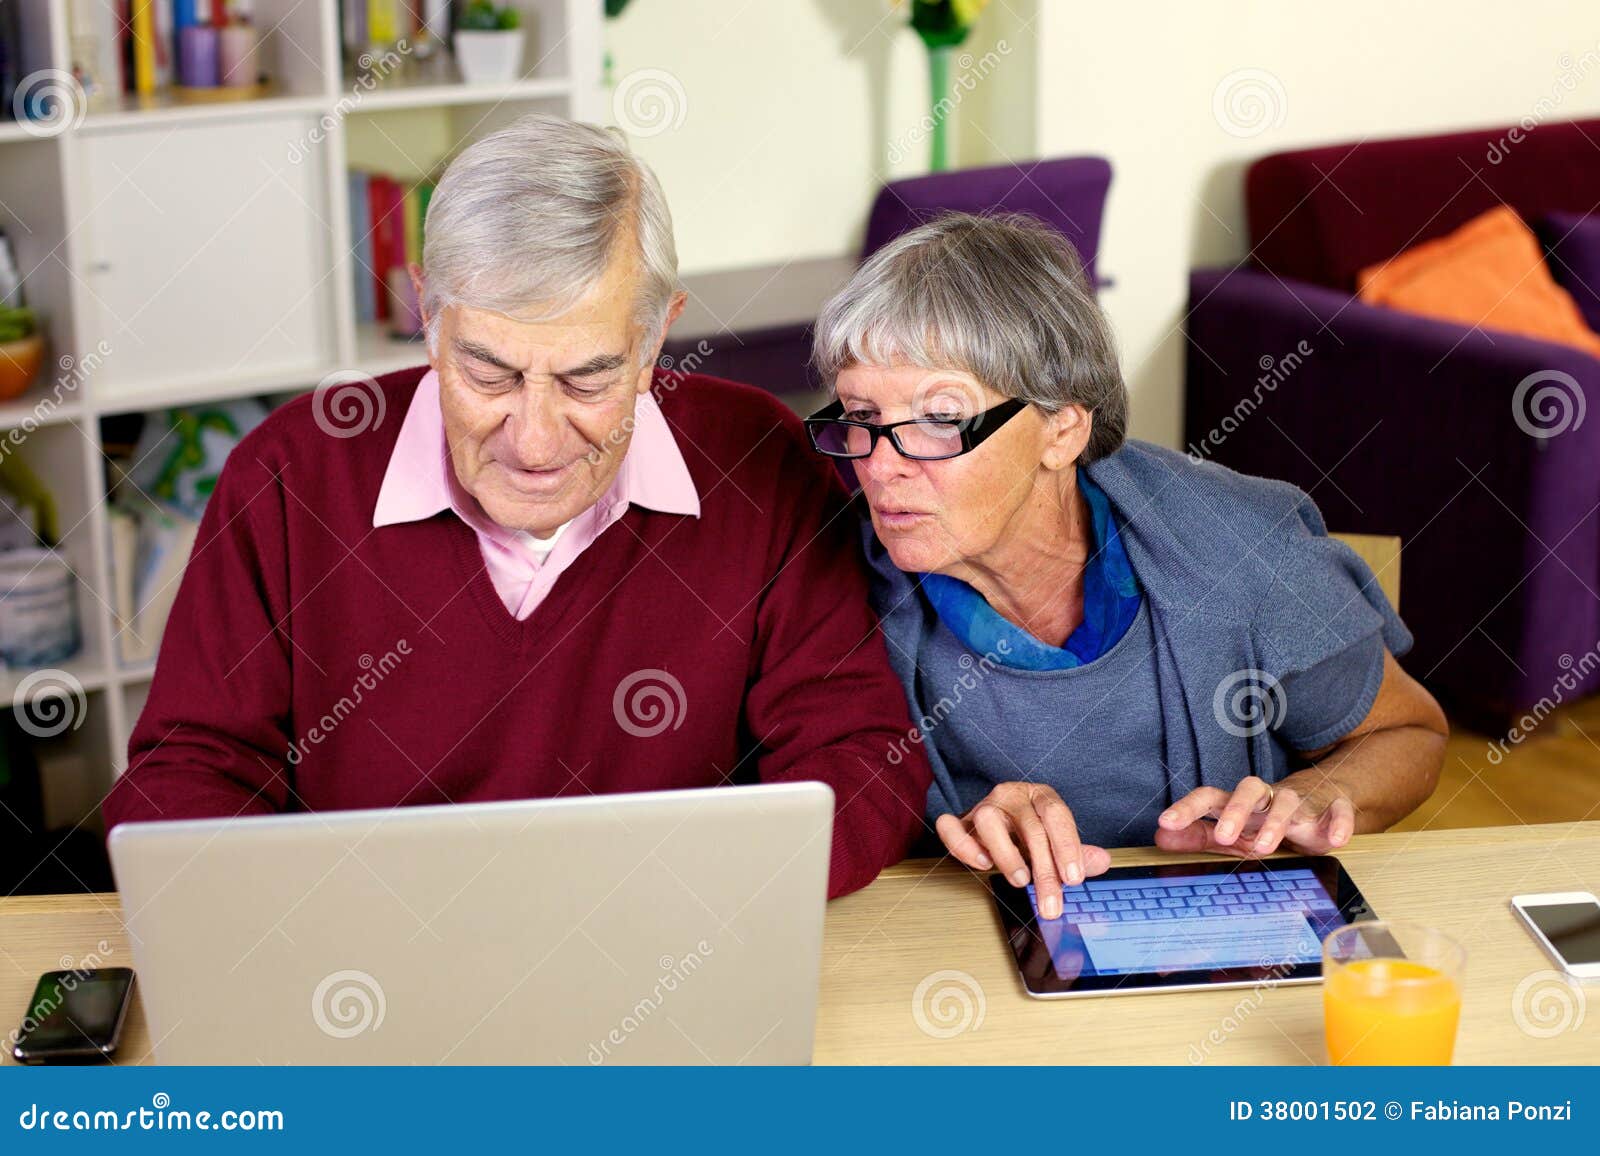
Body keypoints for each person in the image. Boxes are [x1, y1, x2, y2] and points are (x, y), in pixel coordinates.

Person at [102, 114, 932, 899]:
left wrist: (691, 902)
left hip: (670, 955)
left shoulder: (761, 456)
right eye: (489, 373)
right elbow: (189, 773)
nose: (534, 443)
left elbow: (857, 753)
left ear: (654, 340)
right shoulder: (290, 475)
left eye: (588, 377)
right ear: (428, 318)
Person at [804, 212, 1448, 917]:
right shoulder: (825, 581)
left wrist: (1318, 796)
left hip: (1227, 948)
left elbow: (1407, 734)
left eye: (940, 420)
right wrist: (945, 833)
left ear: (1062, 430)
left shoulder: (1238, 547)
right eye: (862, 418)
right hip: (964, 965)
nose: (882, 467)